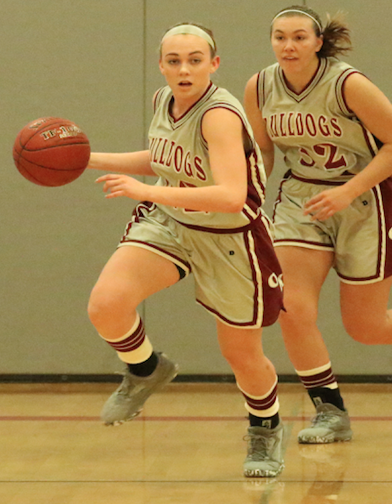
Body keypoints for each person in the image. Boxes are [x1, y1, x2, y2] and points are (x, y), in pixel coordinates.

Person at [243, 6, 392, 445]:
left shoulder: (348, 84)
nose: (288, 46)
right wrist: (249, 191)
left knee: (365, 327)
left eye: (299, 37)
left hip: (366, 200)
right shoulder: (260, 85)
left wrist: (347, 191)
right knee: (291, 307)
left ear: (318, 42)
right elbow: (264, 150)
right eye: (280, 37)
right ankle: (330, 411)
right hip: (302, 199)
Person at [87, 23, 286, 477]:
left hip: (230, 238)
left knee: (241, 355)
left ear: (214, 64)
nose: (184, 69)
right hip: (174, 225)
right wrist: (89, 158)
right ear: (161, 66)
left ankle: (266, 427)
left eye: (195, 60)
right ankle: (145, 370)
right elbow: (162, 159)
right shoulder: (163, 100)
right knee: (107, 304)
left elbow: (230, 196)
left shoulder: (219, 115)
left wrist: (146, 191)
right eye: (174, 61)